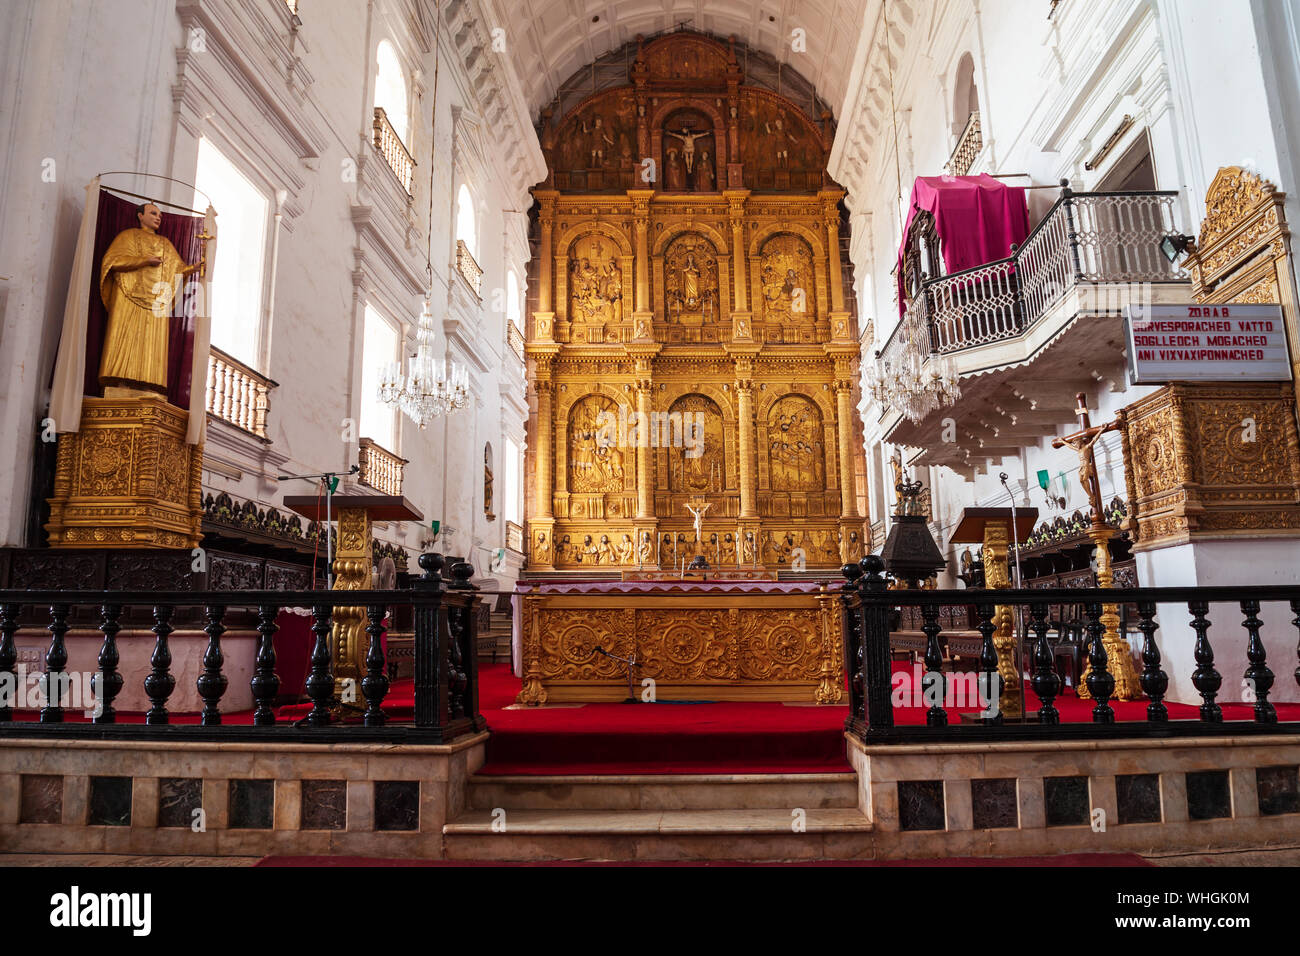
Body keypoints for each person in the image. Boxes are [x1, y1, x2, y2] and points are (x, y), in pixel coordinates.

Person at [98, 202, 201, 393]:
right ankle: (118, 382)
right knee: (124, 339)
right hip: (128, 295)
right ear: (140, 216)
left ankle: (147, 383)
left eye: (160, 215)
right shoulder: (127, 236)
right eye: (153, 213)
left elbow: (177, 270)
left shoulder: (165, 244)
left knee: (151, 344)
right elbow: (113, 261)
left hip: (156, 299)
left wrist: (192, 269)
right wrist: (144, 260)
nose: (158, 217)